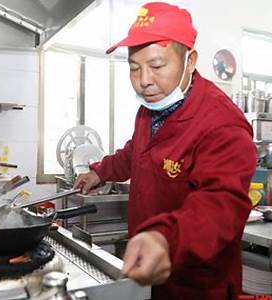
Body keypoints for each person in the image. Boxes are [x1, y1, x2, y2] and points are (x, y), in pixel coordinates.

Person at [74, 2, 256, 299]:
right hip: (151, 274)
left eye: (157, 66)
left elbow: (221, 206)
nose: (144, 80)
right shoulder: (152, 108)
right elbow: (137, 152)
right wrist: (100, 172)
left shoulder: (222, 124)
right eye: (134, 68)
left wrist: (164, 238)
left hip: (195, 284)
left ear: (191, 61)